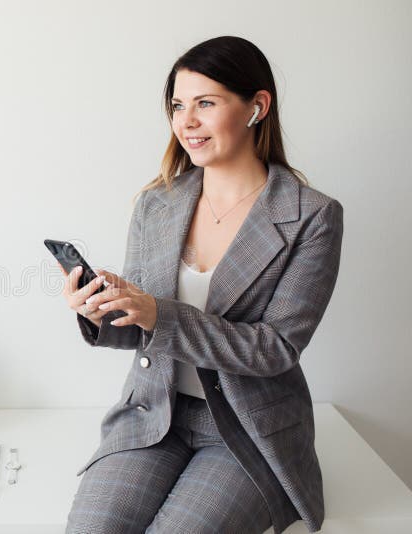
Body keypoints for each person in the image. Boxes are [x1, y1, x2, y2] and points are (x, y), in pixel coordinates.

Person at [61, 36, 343, 534]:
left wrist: (159, 313)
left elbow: (276, 349)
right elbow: (142, 331)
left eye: (205, 103)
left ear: (257, 107)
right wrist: (101, 311)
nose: (186, 121)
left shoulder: (312, 216)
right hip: (153, 413)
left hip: (245, 430)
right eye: (177, 106)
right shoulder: (157, 203)